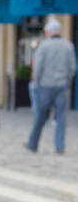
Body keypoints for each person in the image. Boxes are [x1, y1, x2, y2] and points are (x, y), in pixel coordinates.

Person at [26, 18, 76, 154]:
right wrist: (66, 81)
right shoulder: (68, 46)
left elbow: (38, 67)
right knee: (61, 118)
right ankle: (59, 147)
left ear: (49, 32)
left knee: (40, 117)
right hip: (61, 86)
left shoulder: (44, 46)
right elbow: (72, 68)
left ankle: (33, 144)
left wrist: (36, 84)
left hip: (45, 86)